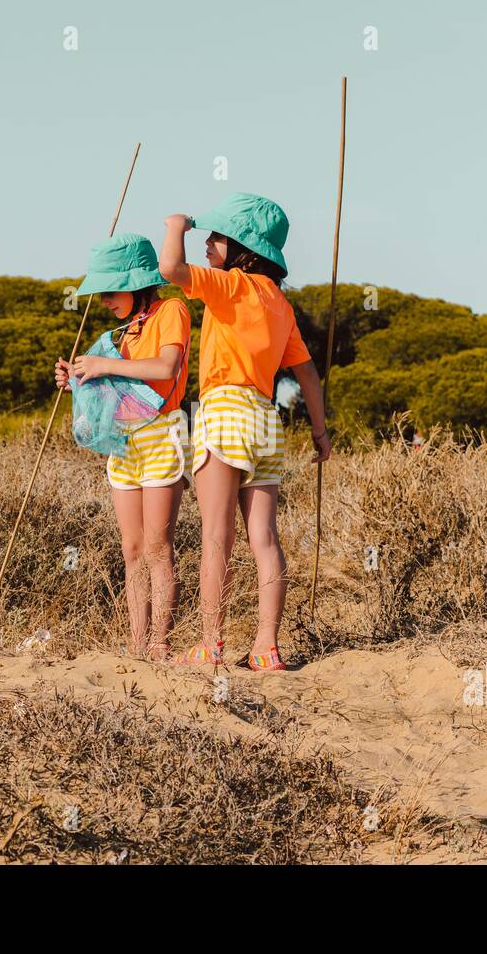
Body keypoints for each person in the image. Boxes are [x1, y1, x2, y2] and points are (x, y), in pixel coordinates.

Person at [158, 193, 331, 671]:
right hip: (266, 421)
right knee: (265, 539)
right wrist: (320, 433)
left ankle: (211, 643)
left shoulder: (231, 286)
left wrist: (178, 225)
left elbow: (171, 269)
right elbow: (308, 376)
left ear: (242, 249)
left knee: (216, 536)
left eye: (217, 236)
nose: (208, 243)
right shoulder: (281, 305)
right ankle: (266, 646)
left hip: (225, 411)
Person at [55, 234, 192, 660]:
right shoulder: (123, 330)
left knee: (157, 547)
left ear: (135, 284)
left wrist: (104, 364)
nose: (105, 301)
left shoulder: (172, 310)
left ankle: (160, 644)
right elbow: (119, 390)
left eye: (111, 291)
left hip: (161, 436)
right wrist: (78, 378)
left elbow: (167, 368)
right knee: (131, 549)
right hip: (124, 442)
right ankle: (137, 644)